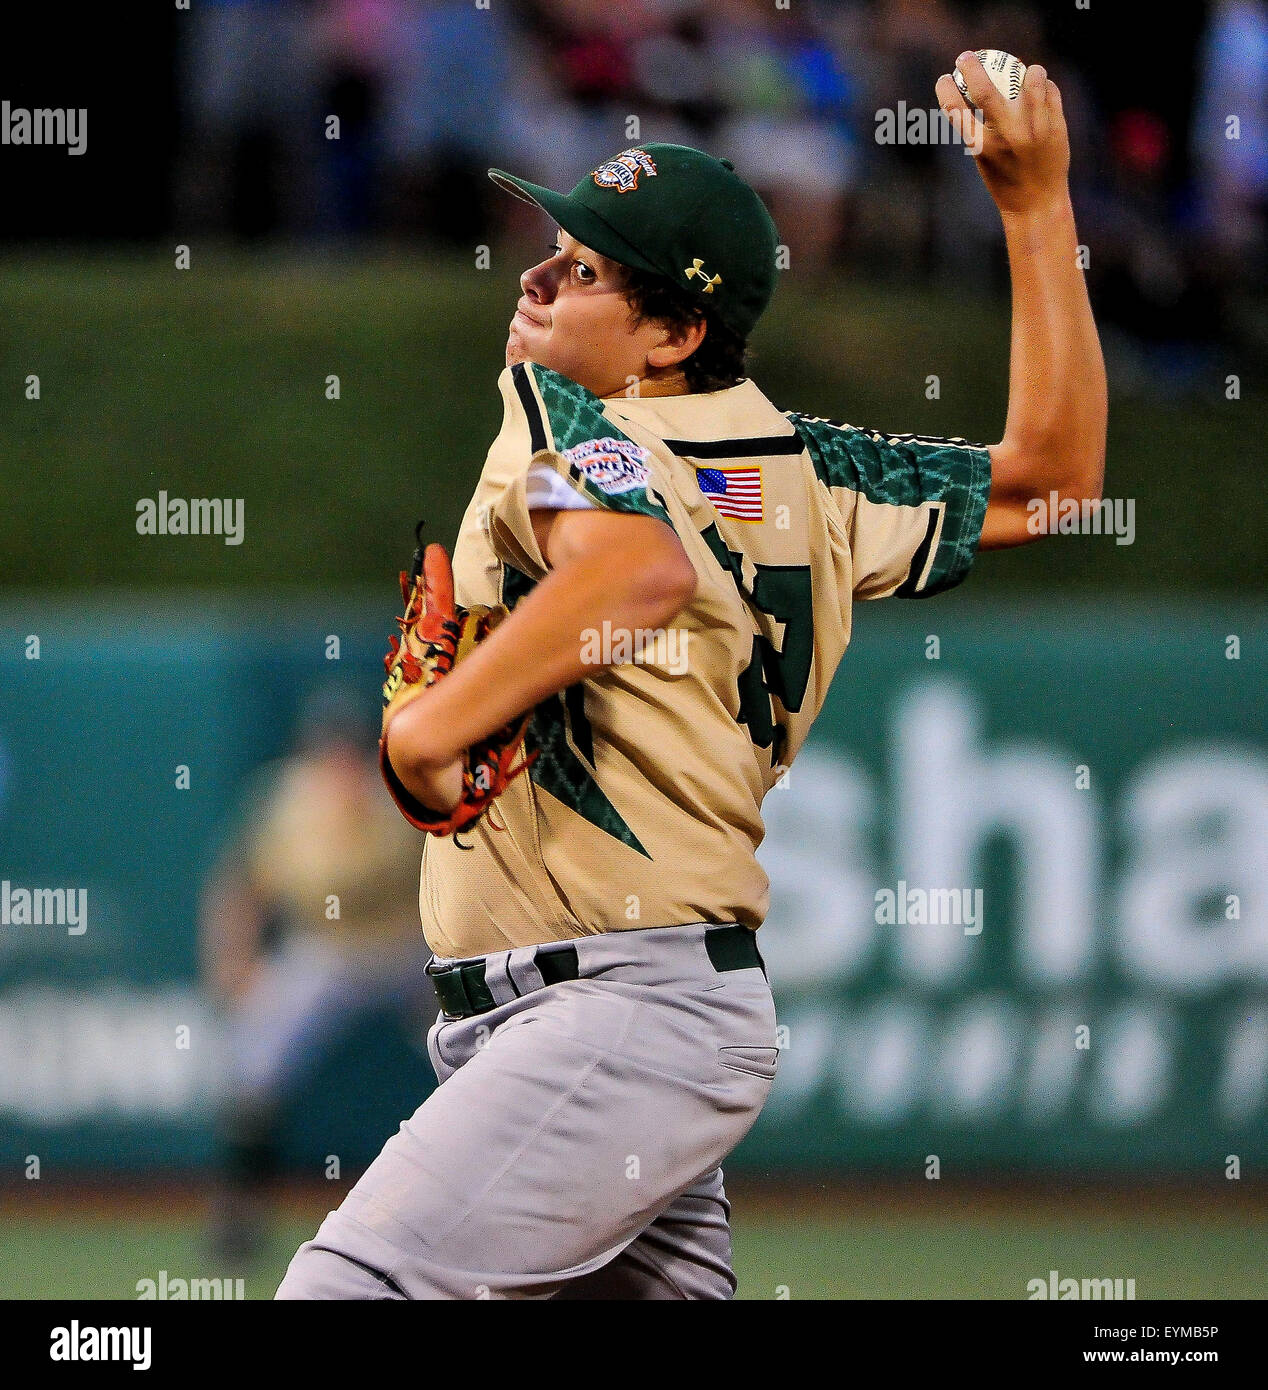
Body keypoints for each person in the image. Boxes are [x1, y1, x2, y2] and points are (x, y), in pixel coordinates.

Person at [277, 52, 1105, 1300]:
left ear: (672, 333)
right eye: (551, 244)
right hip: (655, 1015)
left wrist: (427, 729)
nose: (539, 279)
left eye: (586, 270)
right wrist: (1036, 209)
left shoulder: (561, 413)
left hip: (606, 1014)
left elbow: (635, 573)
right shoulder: (812, 472)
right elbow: (1053, 481)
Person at [202, 683, 433, 1259]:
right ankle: (240, 1212)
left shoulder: (395, 794)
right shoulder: (284, 800)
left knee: (476, 1042)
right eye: (329, 754)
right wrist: (236, 964)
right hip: (324, 950)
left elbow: (447, 879)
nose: (340, 766)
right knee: (255, 1056)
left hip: (402, 944)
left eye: (350, 753)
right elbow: (240, 889)